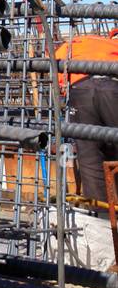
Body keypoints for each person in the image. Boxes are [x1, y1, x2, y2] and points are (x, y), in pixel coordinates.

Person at [54, 30, 118, 202]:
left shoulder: (80, 43)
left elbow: (56, 68)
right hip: (113, 86)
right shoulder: (111, 46)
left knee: (89, 156)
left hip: (79, 88)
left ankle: (102, 215)